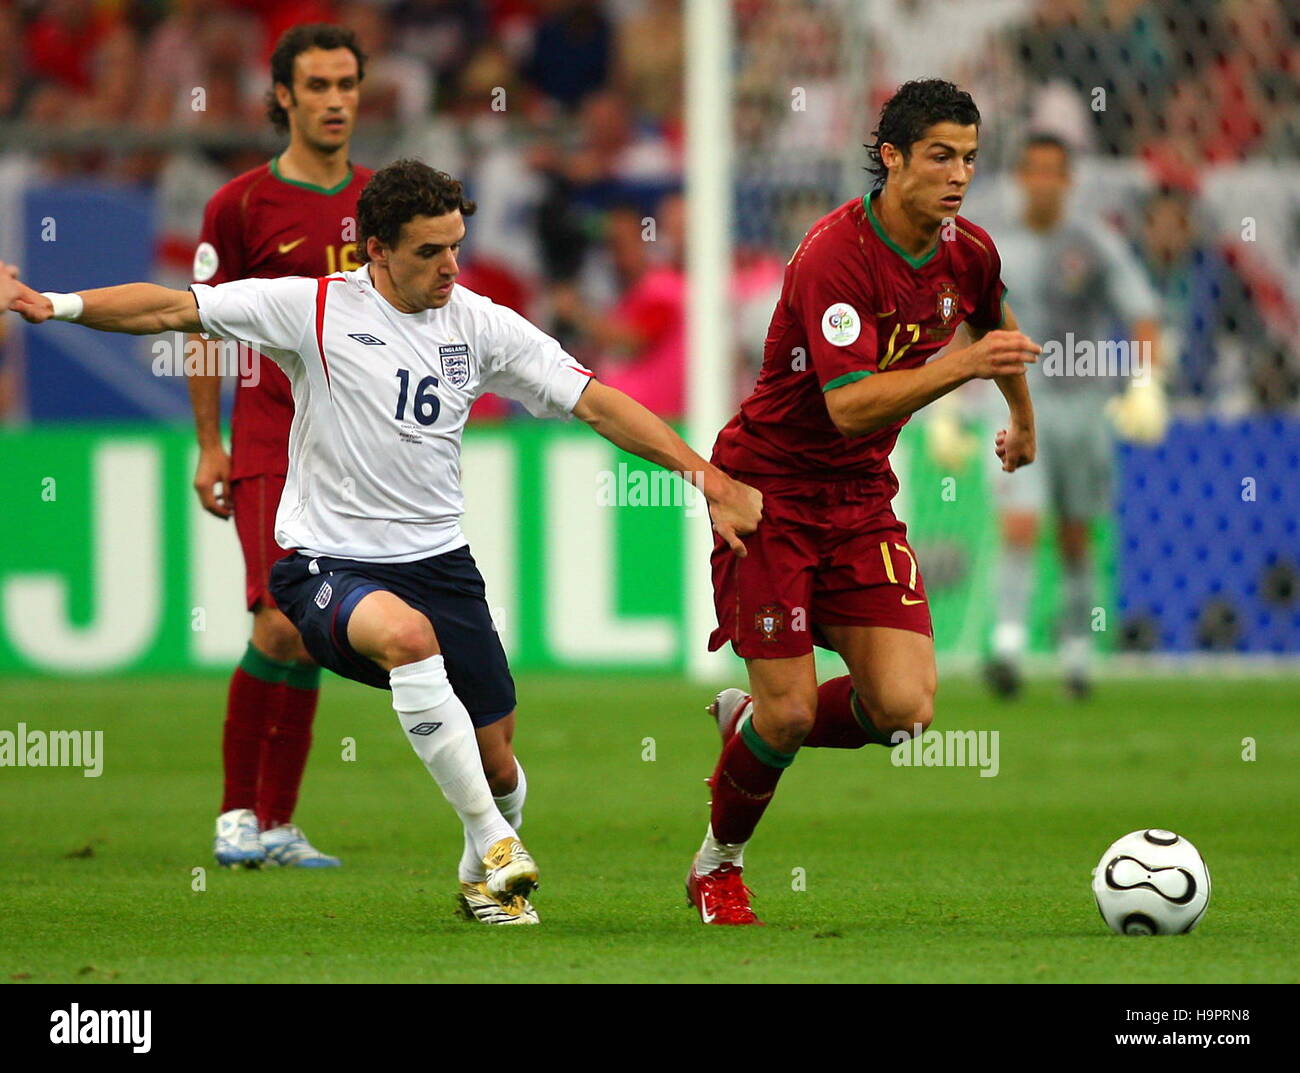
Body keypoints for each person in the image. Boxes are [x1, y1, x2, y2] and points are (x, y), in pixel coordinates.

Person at [4, 159, 762, 926]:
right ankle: (496, 845)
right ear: (376, 249)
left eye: (456, 246)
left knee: (497, 756)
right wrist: (52, 303)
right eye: (430, 251)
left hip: (440, 564)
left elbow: (596, 402)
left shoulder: (480, 322)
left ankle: (481, 880)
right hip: (325, 565)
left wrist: (703, 474)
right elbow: (169, 310)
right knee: (407, 637)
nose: (450, 266)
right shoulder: (314, 309)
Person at [686, 79, 1039, 925]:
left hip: (857, 500)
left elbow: (998, 327)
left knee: (906, 711)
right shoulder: (834, 256)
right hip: (766, 495)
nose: (959, 175)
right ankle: (717, 865)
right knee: (795, 708)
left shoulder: (968, 250)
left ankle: (753, 727)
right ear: (891, 157)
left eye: (970, 158)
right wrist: (959, 369)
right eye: (940, 156)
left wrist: (1022, 421)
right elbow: (849, 405)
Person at [187, 24, 374, 870]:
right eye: (319, 86)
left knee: (310, 629)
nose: (336, 100)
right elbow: (198, 325)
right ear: (284, 97)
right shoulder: (240, 206)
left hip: (348, 451)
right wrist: (208, 442)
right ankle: (236, 815)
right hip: (267, 438)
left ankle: (277, 823)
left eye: (347, 84)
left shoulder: (384, 203)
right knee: (276, 621)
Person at [968, 133, 1162, 700]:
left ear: (1068, 180)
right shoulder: (992, 246)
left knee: (1075, 533)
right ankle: (1007, 647)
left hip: (1082, 401)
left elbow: (1143, 312)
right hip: (1014, 398)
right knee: (1020, 524)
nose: (1044, 181)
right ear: (1021, 178)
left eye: (1056, 171)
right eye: (1035, 170)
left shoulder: (1094, 242)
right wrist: (953, 399)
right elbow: (968, 320)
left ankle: (1077, 654)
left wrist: (1146, 384)